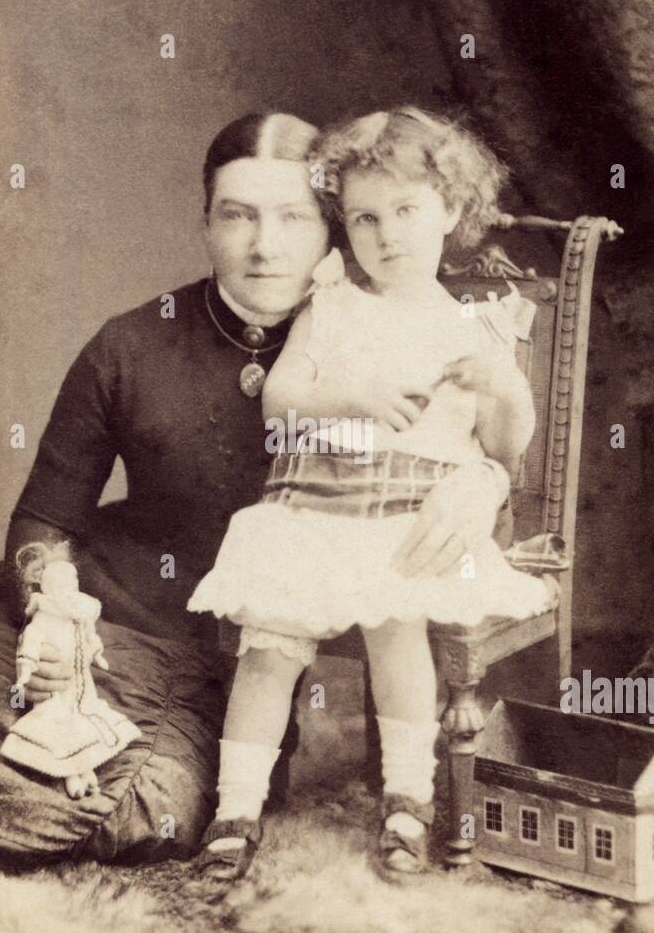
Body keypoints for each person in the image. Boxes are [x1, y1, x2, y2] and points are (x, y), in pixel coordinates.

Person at [187, 107, 555, 887]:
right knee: (268, 650)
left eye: (406, 211)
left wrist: (502, 389)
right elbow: (280, 405)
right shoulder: (332, 306)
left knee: (399, 638)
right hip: (311, 510)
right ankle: (236, 809)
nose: (387, 234)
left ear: (451, 210)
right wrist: (347, 394)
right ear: (343, 227)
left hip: (405, 522)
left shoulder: (476, 325)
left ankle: (406, 802)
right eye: (363, 218)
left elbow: (507, 448)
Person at [0, 112, 329, 869]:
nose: (265, 245)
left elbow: (456, 446)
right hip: (96, 617)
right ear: (204, 224)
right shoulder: (131, 343)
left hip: (220, 659)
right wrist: (52, 607)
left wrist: (477, 479)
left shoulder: (366, 345)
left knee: (129, 812)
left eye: (294, 217)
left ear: (329, 228)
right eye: (238, 215)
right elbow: (43, 514)